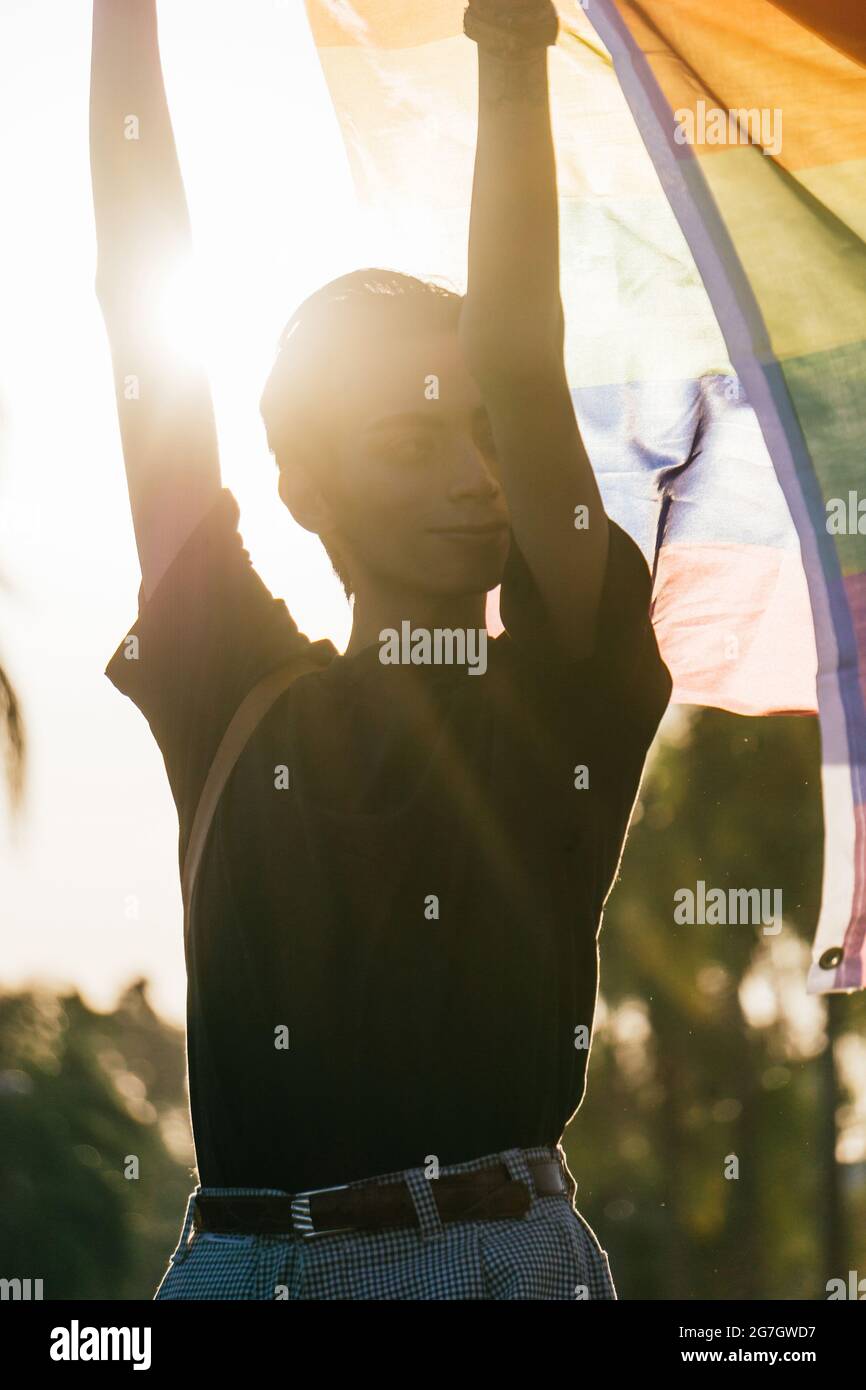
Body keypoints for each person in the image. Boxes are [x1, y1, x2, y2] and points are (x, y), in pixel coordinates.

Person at [91, 0, 672, 1300]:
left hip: (495, 1262)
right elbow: (135, 301)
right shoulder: (229, 684)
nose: (475, 477)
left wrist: (509, 46)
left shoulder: (564, 683)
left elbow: (525, 361)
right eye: (412, 443)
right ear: (300, 485)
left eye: (486, 435)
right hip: (242, 1265)